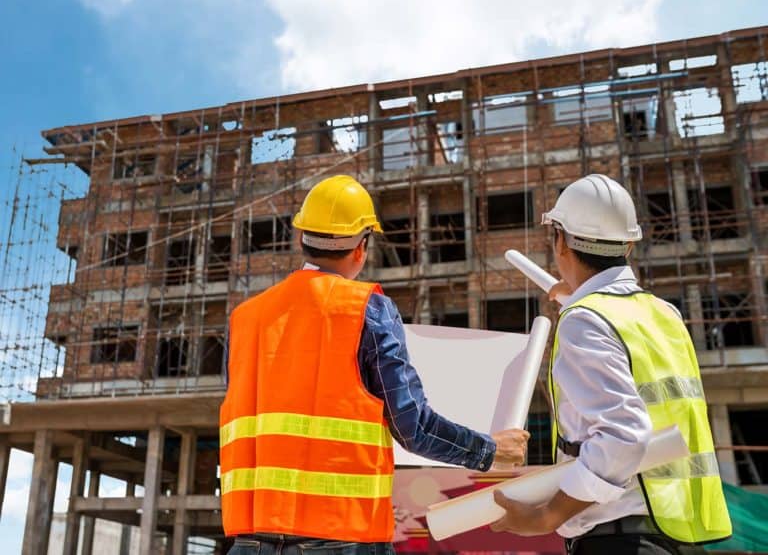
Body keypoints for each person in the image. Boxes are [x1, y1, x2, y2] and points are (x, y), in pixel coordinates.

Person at [220, 175, 529, 555]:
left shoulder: (245, 319)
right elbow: (413, 426)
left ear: (301, 237)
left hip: (249, 543)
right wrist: (488, 448)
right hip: (341, 541)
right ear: (361, 247)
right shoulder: (365, 309)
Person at [489, 174, 732, 554]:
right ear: (630, 246)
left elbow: (624, 436)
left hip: (620, 537)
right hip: (675, 531)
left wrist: (547, 517)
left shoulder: (585, 320)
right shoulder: (662, 312)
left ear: (561, 241)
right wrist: (577, 298)